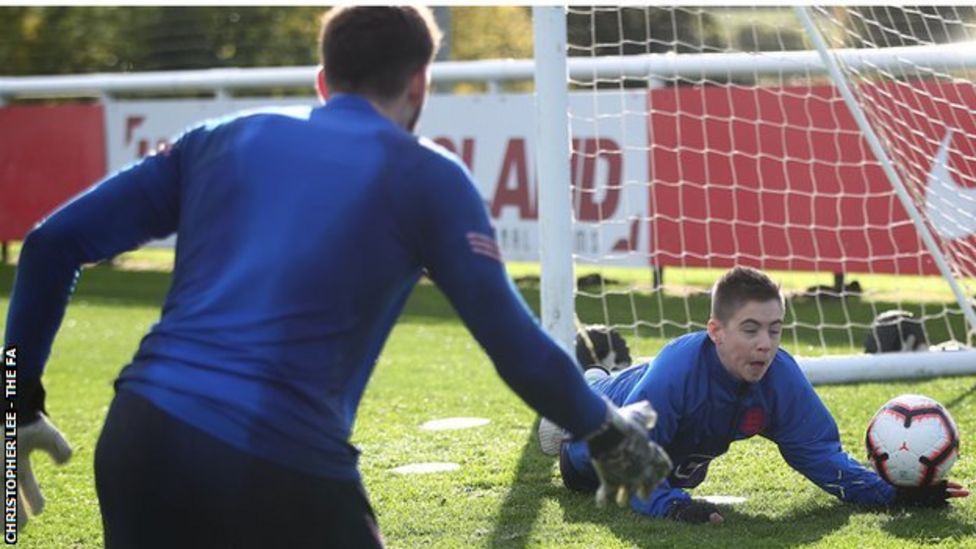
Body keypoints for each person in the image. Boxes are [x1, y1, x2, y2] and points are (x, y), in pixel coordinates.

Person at [4, 7, 672, 548]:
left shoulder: (220, 137)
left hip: (143, 436)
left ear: (322, 81)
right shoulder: (426, 175)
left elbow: (49, 244)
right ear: (420, 86)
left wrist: (17, 405)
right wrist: (603, 428)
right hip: (280, 458)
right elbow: (513, 342)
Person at [547, 266, 969, 524]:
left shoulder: (780, 376)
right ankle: (580, 395)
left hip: (673, 448)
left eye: (774, 329)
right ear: (716, 331)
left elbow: (822, 456)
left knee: (680, 471)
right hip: (609, 430)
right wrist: (672, 507)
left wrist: (896, 493)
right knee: (578, 462)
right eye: (750, 329)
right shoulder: (676, 374)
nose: (765, 344)